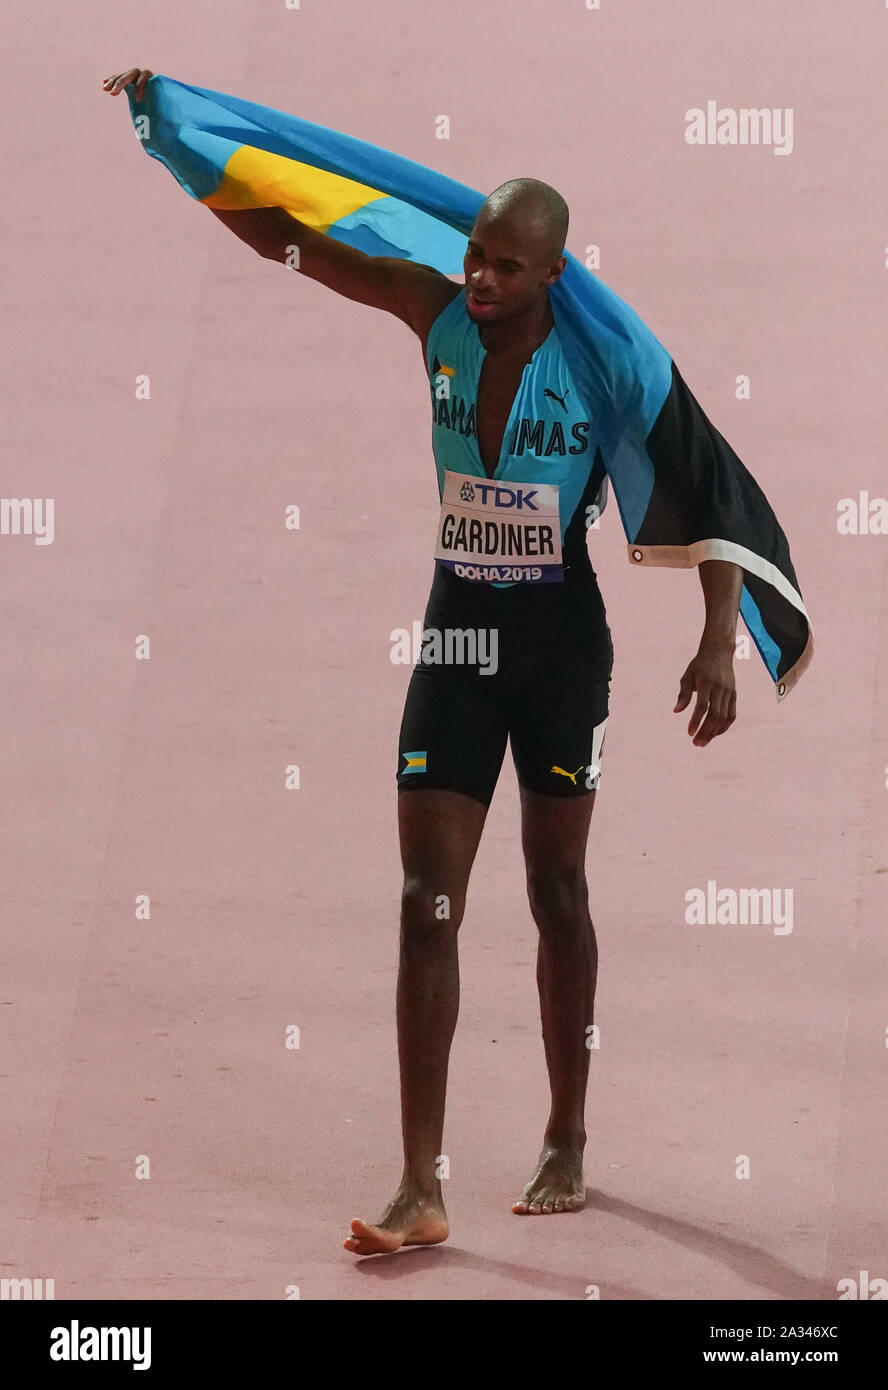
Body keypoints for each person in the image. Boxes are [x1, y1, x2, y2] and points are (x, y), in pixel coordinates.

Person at [104, 68, 742, 1257]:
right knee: (423, 904)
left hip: (561, 645)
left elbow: (705, 488)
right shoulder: (433, 312)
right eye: (476, 255)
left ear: (552, 272)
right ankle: (420, 1180)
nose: (480, 279)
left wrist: (716, 633)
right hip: (457, 633)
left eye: (506, 266)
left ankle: (566, 1134)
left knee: (558, 894)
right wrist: (182, 143)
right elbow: (291, 245)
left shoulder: (607, 364)